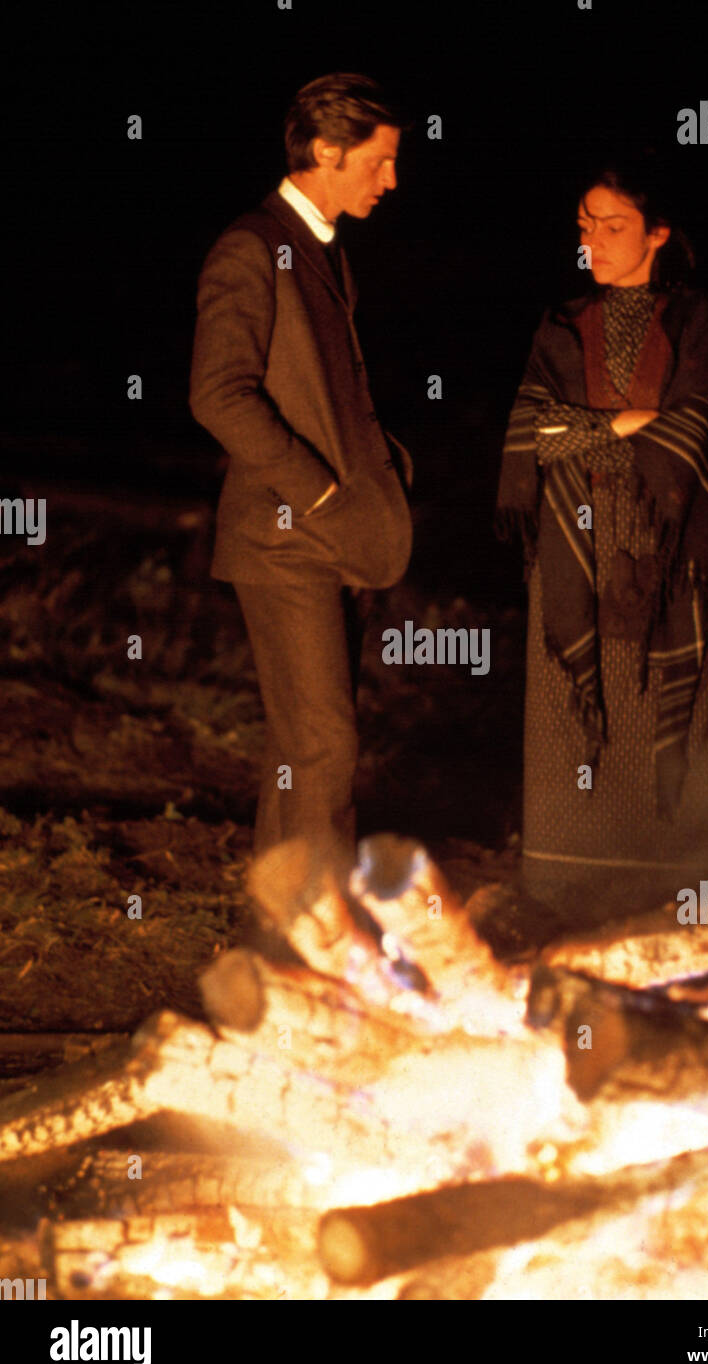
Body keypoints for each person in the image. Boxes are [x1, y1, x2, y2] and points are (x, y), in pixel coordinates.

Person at [497, 162, 708, 927]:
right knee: (574, 706)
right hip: (574, 544)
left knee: (658, 703)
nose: (593, 243)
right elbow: (532, 435)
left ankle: (675, 889)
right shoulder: (562, 322)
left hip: (666, 543)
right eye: (584, 226)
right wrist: (626, 427)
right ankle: (565, 887)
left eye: (613, 227)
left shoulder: (700, 320)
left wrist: (587, 436)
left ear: (658, 233)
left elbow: (690, 435)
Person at [190, 74, 413, 861]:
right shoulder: (250, 246)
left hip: (323, 539)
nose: (392, 179)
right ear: (327, 151)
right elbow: (217, 395)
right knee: (323, 745)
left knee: (303, 749)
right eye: (379, 161)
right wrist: (318, 493)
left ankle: (283, 940)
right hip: (283, 540)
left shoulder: (319, 249)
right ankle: (323, 946)